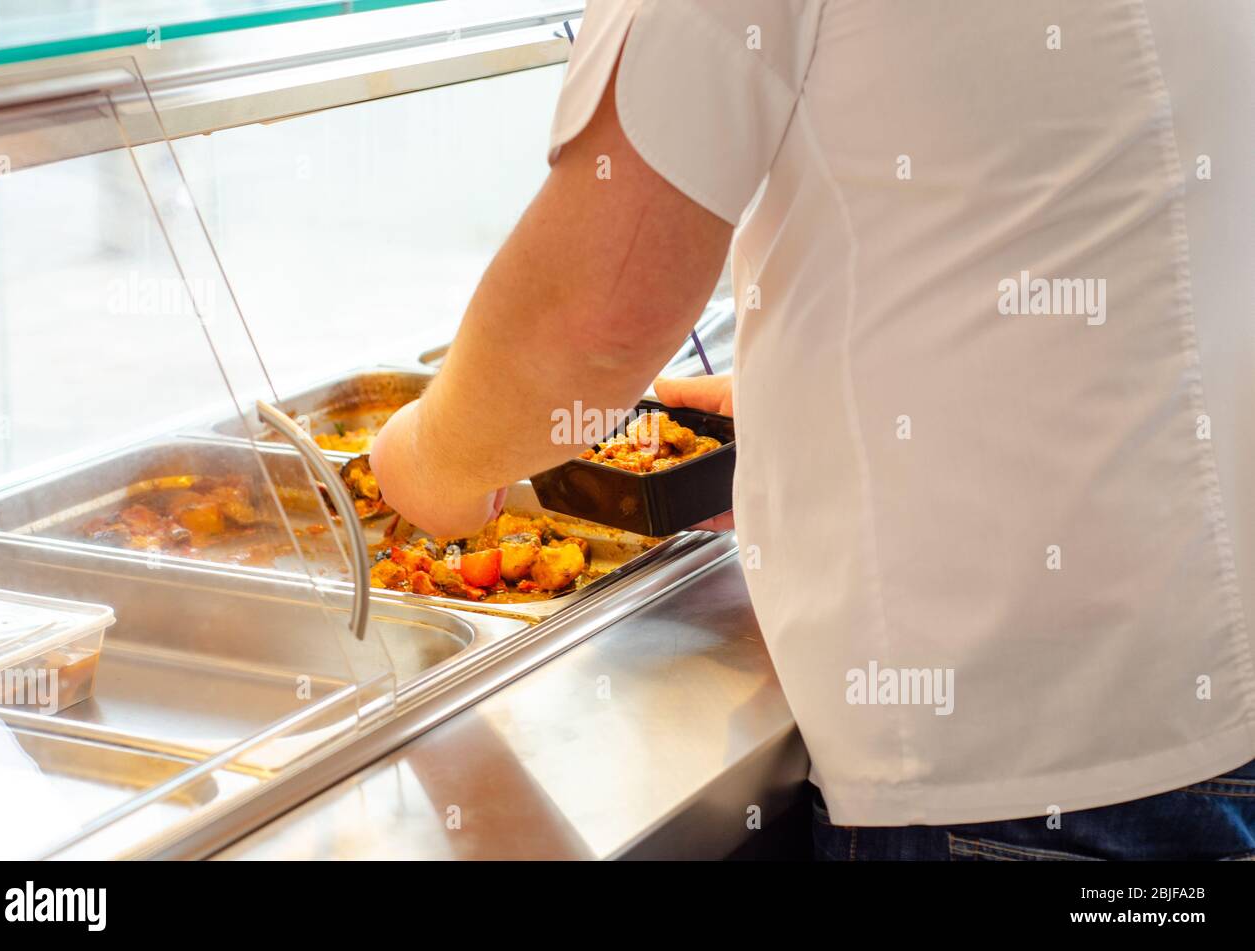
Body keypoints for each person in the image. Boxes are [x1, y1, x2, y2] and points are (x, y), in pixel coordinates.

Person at [371, 0, 1255, 859]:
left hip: (1014, 754)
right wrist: (820, 411)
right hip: (1199, 684)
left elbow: (591, 322)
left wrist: (429, 458)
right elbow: (1068, 196)